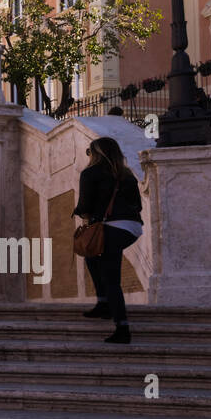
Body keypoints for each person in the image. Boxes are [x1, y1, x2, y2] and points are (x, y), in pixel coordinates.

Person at [73, 136, 143, 344]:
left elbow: (84, 206)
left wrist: (87, 219)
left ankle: (122, 328)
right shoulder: (127, 175)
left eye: (90, 151)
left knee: (111, 277)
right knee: (92, 257)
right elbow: (137, 206)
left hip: (110, 227)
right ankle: (103, 303)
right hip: (132, 228)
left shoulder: (90, 173)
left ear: (96, 154)